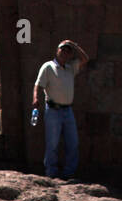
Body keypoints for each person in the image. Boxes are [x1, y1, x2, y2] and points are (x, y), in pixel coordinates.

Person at [33, 39, 89, 180]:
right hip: (53, 110)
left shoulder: (70, 68)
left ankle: (69, 173)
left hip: (67, 111)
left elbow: (85, 59)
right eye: (62, 49)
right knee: (52, 143)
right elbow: (38, 85)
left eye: (68, 51)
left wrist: (75, 45)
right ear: (57, 51)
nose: (65, 53)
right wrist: (35, 98)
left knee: (73, 143)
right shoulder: (48, 67)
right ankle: (51, 173)